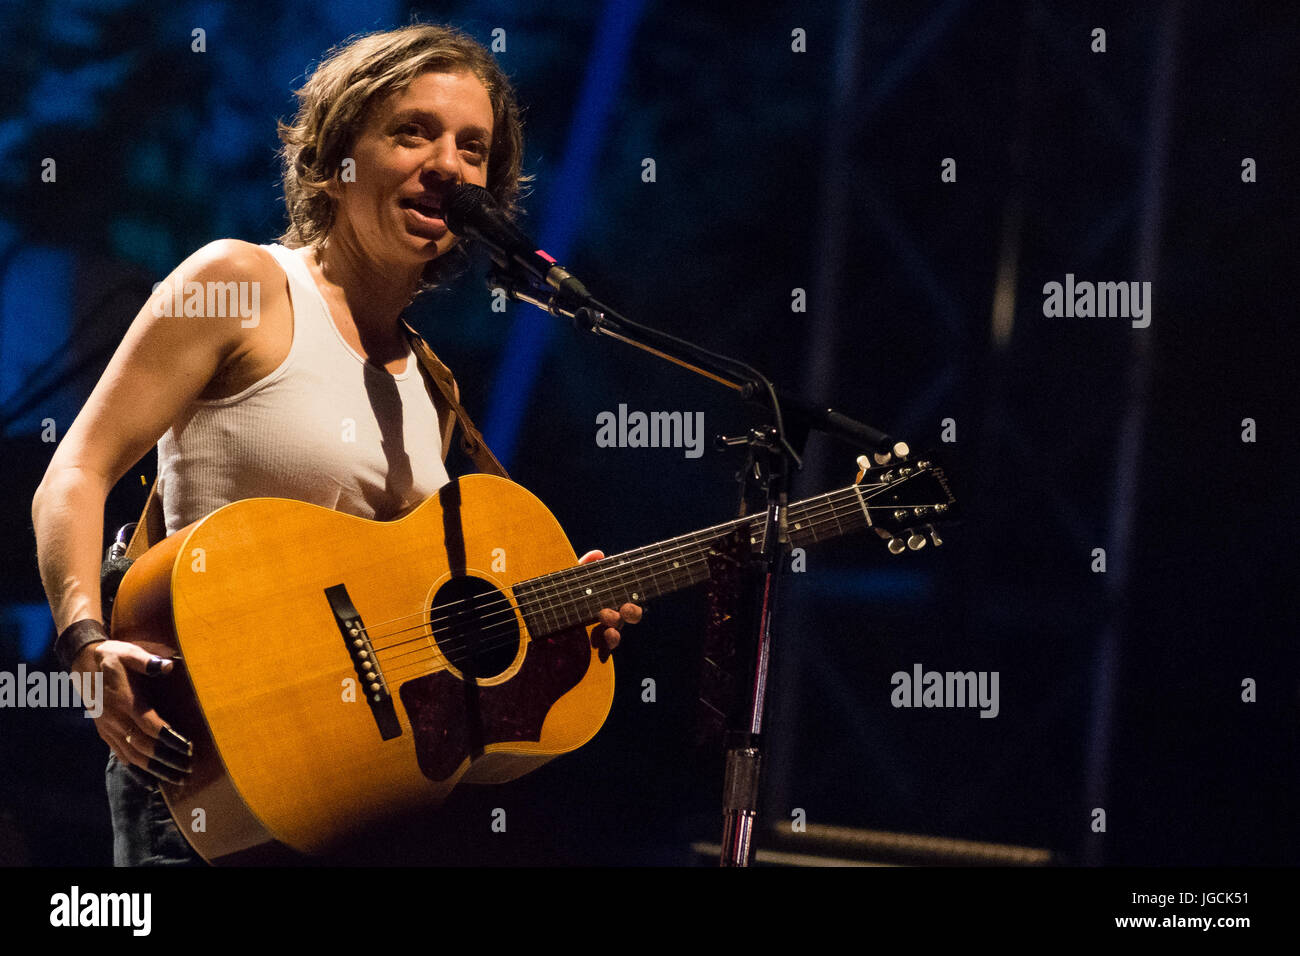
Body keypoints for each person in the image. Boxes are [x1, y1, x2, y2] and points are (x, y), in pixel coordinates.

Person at [31, 23, 641, 866]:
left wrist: (562, 616)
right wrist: (83, 642)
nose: (449, 165)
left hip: (352, 795)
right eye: (413, 131)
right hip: (205, 763)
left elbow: (408, 611)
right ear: (335, 156)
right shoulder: (240, 284)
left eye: (474, 148)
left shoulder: (431, 386)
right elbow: (77, 467)